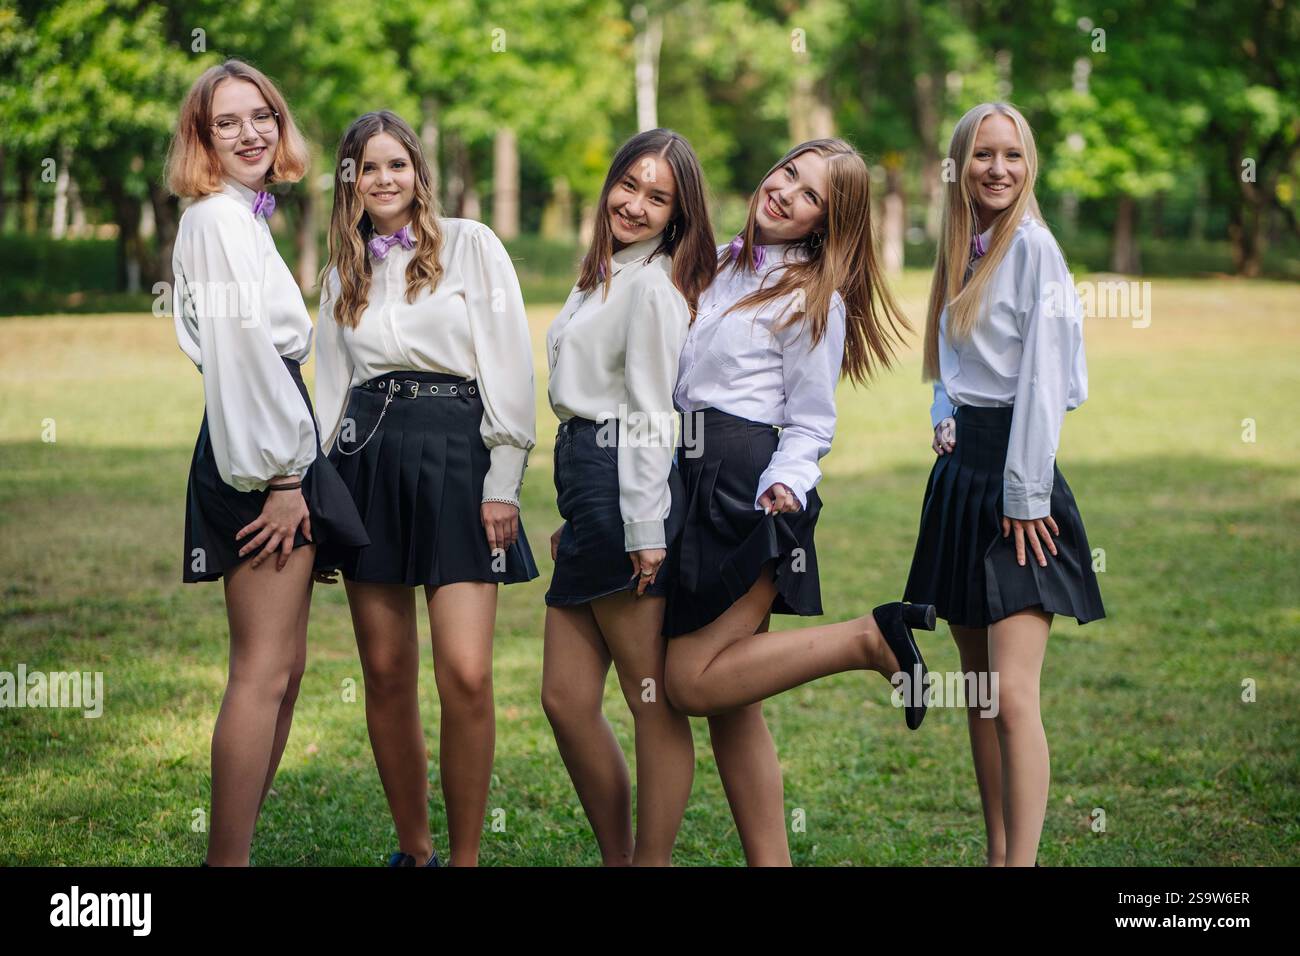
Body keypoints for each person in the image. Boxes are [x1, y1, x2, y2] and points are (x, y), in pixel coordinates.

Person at [661, 138, 932, 867]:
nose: (784, 192)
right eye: (787, 172)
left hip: (746, 492)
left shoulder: (815, 297)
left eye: (809, 194)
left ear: (824, 223)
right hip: (680, 481)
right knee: (731, 695)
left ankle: (867, 640)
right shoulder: (711, 262)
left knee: (689, 681)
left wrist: (783, 485)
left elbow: (811, 420)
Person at [314, 110, 538, 868]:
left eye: (396, 165)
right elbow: (328, 393)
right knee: (383, 670)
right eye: (367, 168)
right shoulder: (340, 272)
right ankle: (416, 852)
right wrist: (313, 488)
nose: (383, 180)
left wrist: (503, 477)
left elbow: (510, 363)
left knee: (468, 673)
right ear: (349, 181)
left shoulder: (472, 245)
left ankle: (467, 858)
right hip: (368, 456)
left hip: (459, 452)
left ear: (419, 172)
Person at [168, 59, 368, 867]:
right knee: (261, 670)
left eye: (263, 116)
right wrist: (286, 479)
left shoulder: (244, 219)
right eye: (228, 122)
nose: (251, 133)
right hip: (261, 460)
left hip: (279, 442)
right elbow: (245, 358)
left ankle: (238, 852)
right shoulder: (215, 222)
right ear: (202, 140)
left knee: (285, 666)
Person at [904, 102, 1106, 867]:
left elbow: (1052, 381)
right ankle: (997, 855)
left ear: (1030, 165)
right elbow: (955, 360)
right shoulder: (968, 246)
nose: (997, 169)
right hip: (961, 480)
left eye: (1012, 155)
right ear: (958, 166)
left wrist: (1024, 498)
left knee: (1014, 697)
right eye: (982, 154)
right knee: (981, 694)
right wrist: (945, 408)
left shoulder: (1035, 250)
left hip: (1019, 487)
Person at [539, 129, 717, 865]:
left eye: (658, 197)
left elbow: (650, 411)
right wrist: (581, 511)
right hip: (590, 483)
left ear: (679, 214)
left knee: (651, 698)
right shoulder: (604, 273)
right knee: (565, 699)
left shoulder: (651, 286)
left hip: (625, 486)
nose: (635, 204)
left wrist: (643, 525)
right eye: (629, 185)